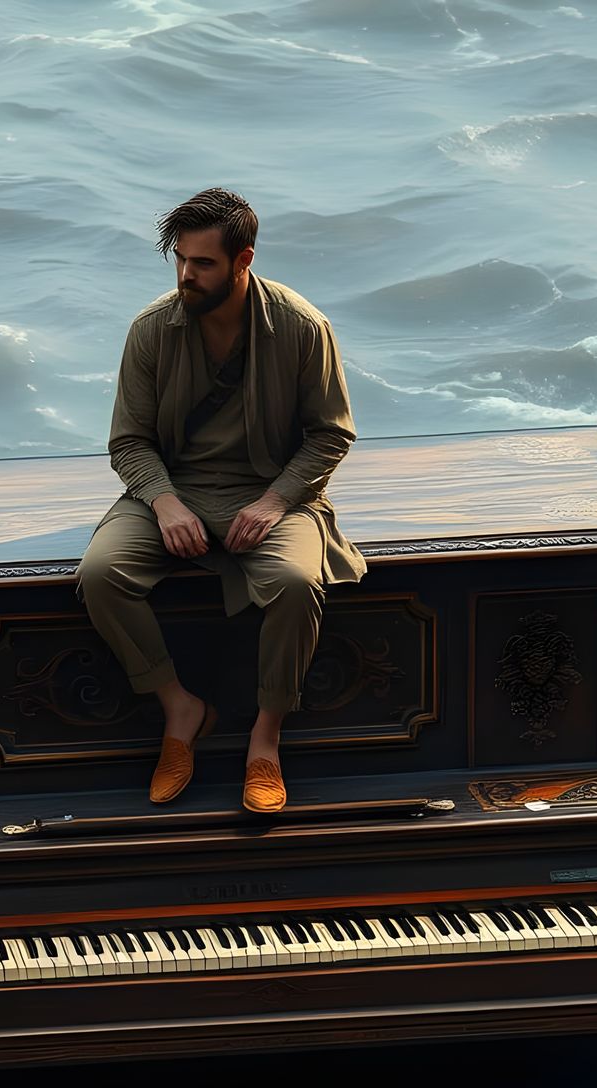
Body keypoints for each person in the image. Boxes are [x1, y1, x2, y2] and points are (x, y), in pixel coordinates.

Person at [77, 187, 365, 813]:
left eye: (202, 263)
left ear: (244, 261)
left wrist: (275, 501)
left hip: (270, 495)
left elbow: (330, 435)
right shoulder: (151, 330)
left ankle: (265, 739)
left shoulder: (301, 327)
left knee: (294, 582)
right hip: (172, 491)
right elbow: (129, 442)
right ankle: (180, 709)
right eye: (179, 259)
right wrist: (163, 502)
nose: (186, 274)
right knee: (99, 574)